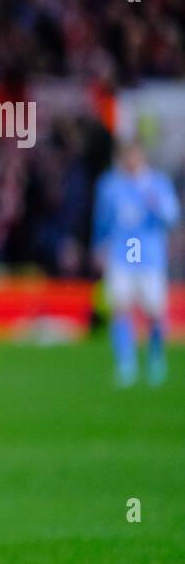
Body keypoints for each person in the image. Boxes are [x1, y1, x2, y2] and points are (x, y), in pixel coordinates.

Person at [92, 139, 180, 386]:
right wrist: (98, 246)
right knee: (120, 308)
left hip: (149, 257)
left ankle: (155, 358)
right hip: (120, 256)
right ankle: (125, 364)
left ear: (142, 158)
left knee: (154, 311)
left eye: (135, 156)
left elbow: (172, 217)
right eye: (127, 156)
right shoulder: (110, 185)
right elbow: (102, 219)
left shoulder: (157, 184)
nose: (131, 161)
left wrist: (157, 205)